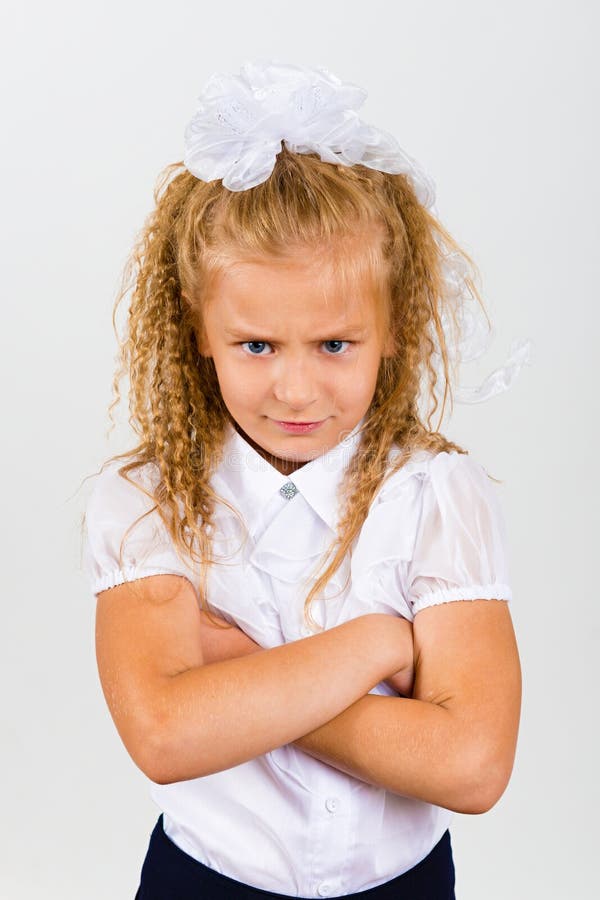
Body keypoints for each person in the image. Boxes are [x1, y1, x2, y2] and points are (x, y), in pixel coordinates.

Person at [82, 60, 524, 900]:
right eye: (256, 345)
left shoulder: (438, 495)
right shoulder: (147, 501)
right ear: (199, 328)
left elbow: (471, 766)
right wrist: (378, 644)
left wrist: (246, 679)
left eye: (334, 345)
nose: (295, 390)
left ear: (392, 331)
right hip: (204, 882)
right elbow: (167, 736)